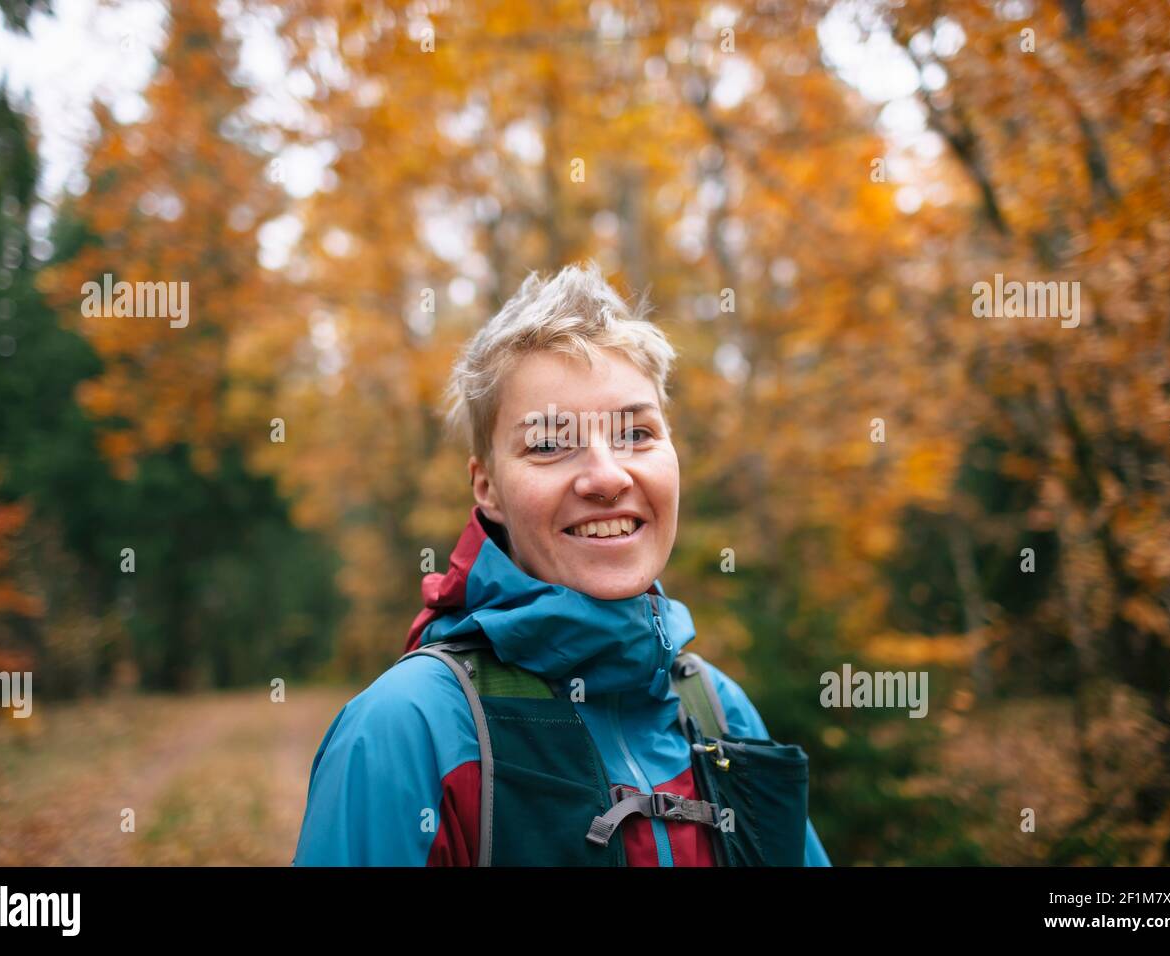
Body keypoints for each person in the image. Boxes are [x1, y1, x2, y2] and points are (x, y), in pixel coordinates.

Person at [292, 261, 831, 866]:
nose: (606, 476)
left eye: (637, 432)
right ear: (487, 486)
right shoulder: (408, 729)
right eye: (549, 443)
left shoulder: (720, 711)